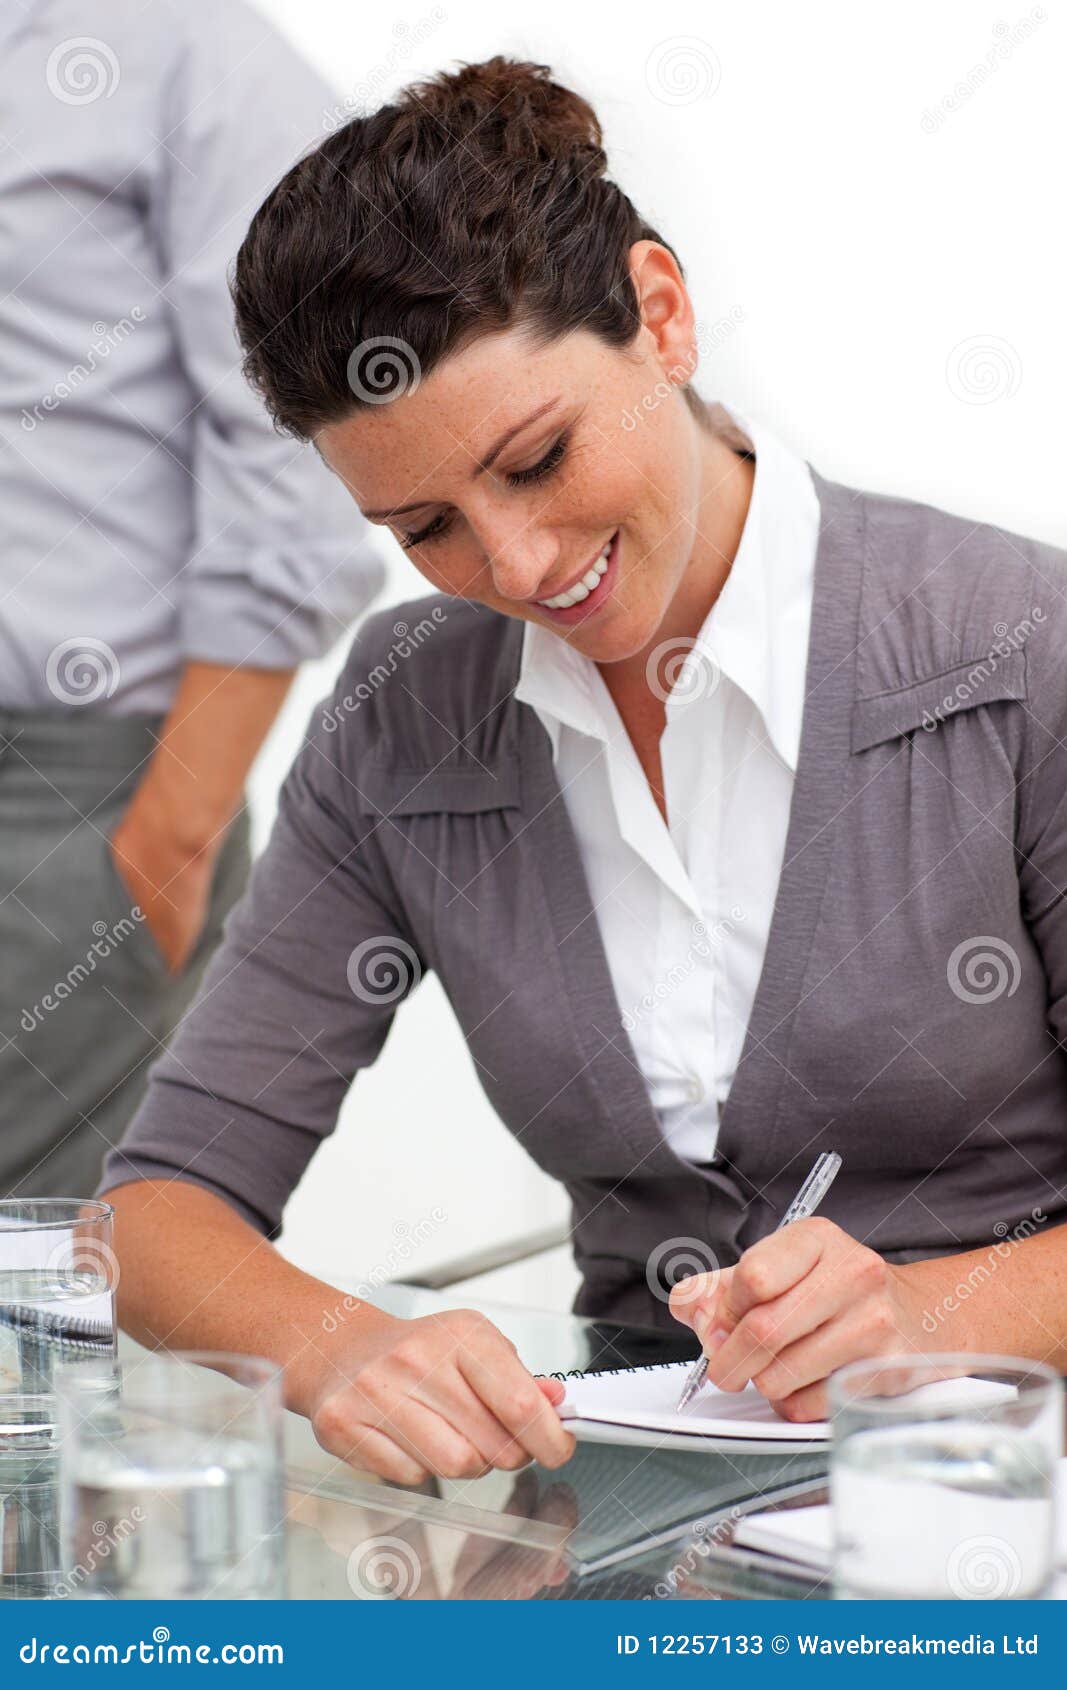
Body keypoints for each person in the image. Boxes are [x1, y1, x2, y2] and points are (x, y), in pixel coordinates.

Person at [99, 58, 1067, 1487]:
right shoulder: (398, 720)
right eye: (423, 524)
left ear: (660, 316)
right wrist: (334, 1344)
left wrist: (920, 1313)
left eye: (538, 458)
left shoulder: (1010, 653)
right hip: (640, 1519)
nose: (515, 565)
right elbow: (154, 1209)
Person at [0, 0, 384, 1196]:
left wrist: (175, 823)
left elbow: (309, 425)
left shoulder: (179, 47)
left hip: (66, 798)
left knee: (33, 1326)